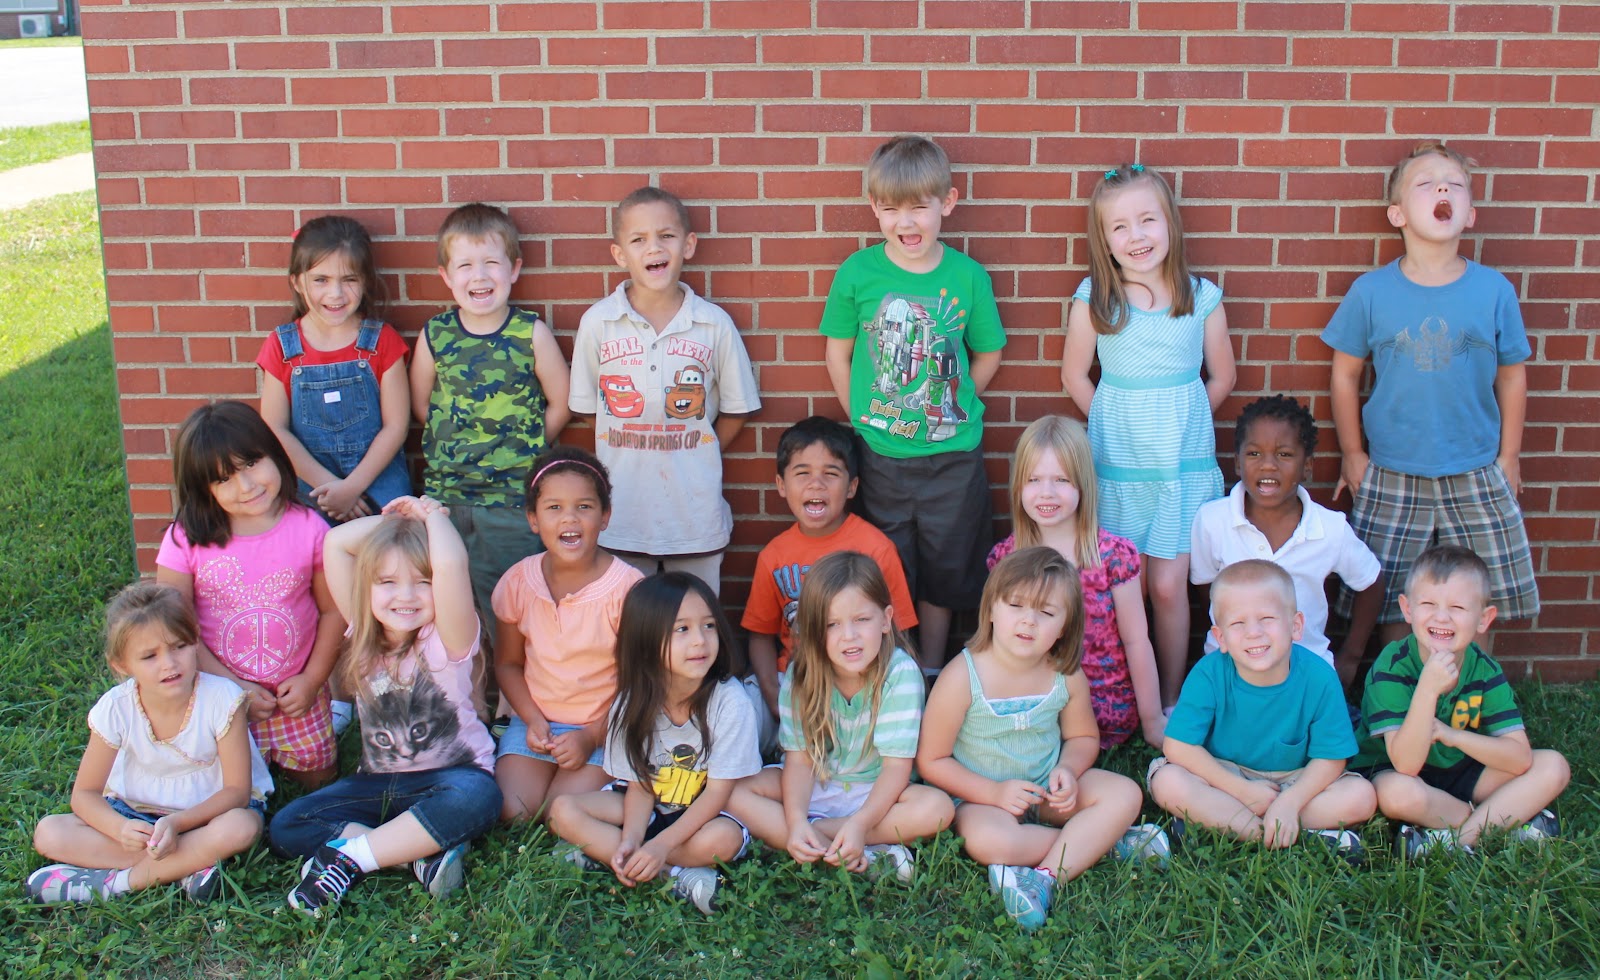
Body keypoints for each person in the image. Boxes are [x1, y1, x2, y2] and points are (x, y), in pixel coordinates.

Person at [1323, 141, 1538, 650]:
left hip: (1476, 466)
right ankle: (1399, 696)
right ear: (1396, 213)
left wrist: (1510, 455)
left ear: (1470, 212)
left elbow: (1512, 375)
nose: (1443, 189)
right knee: (1393, 595)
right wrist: (1353, 453)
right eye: (1426, 183)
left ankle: (1473, 692)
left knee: (1476, 598)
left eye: (1454, 184)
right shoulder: (1371, 291)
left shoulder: (1494, 290)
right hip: (1393, 468)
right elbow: (1345, 376)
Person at [821, 135, 1007, 675]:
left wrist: (952, 397)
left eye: (919, 207)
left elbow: (990, 350)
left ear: (947, 203)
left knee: (946, 567)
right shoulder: (858, 273)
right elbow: (838, 352)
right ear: (874, 208)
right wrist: (858, 416)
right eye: (890, 208)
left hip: (952, 457)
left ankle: (928, 668)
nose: (906, 222)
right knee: (890, 564)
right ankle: (895, 669)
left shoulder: (967, 277)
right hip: (881, 455)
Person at [270, 497, 501, 913]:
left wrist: (431, 517)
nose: (405, 596)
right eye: (387, 581)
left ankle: (349, 858)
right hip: (377, 785)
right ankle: (416, 850)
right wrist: (397, 520)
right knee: (288, 824)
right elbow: (337, 543)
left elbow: (451, 566)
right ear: (367, 588)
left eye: (422, 582)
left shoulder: (447, 637)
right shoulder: (362, 631)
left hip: (453, 777)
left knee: (479, 798)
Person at [918, 547, 1165, 932]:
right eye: (1016, 605)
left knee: (1126, 794)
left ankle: (1045, 876)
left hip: (1047, 790)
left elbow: (1083, 736)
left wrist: (1068, 768)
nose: (1028, 621)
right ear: (991, 610)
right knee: (991, 844)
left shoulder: (1064, 674)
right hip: (982, 800)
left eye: (1046, 613)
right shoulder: (962, 677)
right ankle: (1104, 841)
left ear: (1064, 627)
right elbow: (931, 761)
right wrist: (994, 794)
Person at [1062, 163, 1235, 708]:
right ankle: (1123, 695)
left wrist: (1184, 424)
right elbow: (1073, 375)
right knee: (1126, 586)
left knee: (1167, 586)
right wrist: (1112, 424)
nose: (1136, 237)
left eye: (1147, 221)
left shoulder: (1199, 296)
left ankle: (1171, 695)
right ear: (1105, 240)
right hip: (1119, 469)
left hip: (1179, 471)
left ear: (1170, 225)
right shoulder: (1097, 298)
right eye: (1120, 227)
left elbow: (1224, 375)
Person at [27, 582, 272, 905]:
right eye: (149, 656)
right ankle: (187, 866)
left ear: (196, 639)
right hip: (136, 815)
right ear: (122, 665)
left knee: (241, 828)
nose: (169, 663)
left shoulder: (221, 698)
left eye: (179, 646)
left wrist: (177, 823)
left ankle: (118, 883)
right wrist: (120, 829)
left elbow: (236, 792)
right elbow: (84, 795)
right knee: (49, 832)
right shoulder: (116, 707)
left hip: (206, 816)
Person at [568, 186, 761, 594]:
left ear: (689, 245)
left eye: (666, 236)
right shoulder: (598, 323)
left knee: (695, 625)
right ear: (619, 254)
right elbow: (589, 410)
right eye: (638, 239)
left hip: (693, 517)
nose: (653, 247)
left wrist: (696, 442)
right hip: (621, 518)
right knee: (628, 630)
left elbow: (737, 409)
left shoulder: (713, 324)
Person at [728, 552, 952, 882]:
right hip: (817, 784)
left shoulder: (899, 674)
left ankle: (822, 841)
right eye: (832, 624)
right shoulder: (801, 675)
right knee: (734, 792)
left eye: (862, 619)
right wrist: (795, 818)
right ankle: (852, 850)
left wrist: (859, 823)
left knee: (938, 809)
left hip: (877, 792)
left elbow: (895, 769)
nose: (849, 635)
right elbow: (801, 761)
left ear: (886, 619)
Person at [546, 573, 763, 915]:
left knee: (725, 839)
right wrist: (633, 838)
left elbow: (719, 792)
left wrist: (661, 844)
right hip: (644, 808)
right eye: (682, 629)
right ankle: (673, 876)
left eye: (708, 626)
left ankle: (608, 855)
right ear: (646, 640)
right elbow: (639, 786)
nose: (700, 642)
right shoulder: (630, 704)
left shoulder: (730, 702)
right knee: (562, 810)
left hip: (701, 812)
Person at [156, 401, 342, 789]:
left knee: (321, 787)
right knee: (228, 792)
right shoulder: (185, 540)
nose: (247, 485)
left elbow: (332, 612)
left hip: (297, 699)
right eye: (223, 479)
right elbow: (175, 630)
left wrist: (312, 679)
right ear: (201, 488)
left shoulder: (309, 528)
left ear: (275, 454)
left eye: (252, 463)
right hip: (216, 699)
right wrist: (232, 688)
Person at [1147, 560, 1376, 863]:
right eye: (1238, 623)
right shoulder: (1209, 674)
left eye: (1267, 618)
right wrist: (1241, 790)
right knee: (1168, 782)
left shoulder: (1319, 676)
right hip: (1226, 775)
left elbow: (1331, 758)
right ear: (1221, 638)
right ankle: (1274, 832)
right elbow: (1177, 745)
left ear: (1295, 626)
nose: (1253, 633)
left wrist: (1291, 801)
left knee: (1361, 798)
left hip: (1297, 779)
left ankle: (1226, 822)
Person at [410, 202, 571, 630]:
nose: (479, 276)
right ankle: (465, 693)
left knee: (509, 606)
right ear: (446, 276)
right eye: (464, 265)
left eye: (491, 263)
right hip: (447, 500)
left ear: (514, 270)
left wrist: (529, 446)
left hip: (511, 502)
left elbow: (562, 401)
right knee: (448, 605)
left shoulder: (529, 332)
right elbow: (421, 404)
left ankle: (506, 693)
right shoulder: (436, 335)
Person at [1352, 545, 1569, 858]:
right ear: (1408, 609)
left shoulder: (1484, 668)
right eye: (1428, 603)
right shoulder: (1392, 665)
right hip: (1399, 772)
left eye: (1457, 607)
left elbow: (1519, 757)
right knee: (1396, 795)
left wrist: (1452, 735)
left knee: (1553, 766)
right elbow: (1406, 764)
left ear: (1483, 619)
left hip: (1460, 768)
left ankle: (1455, 840)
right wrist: (1427, 688)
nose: (1442, 617)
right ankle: (1500, 817)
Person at [988, 415, 1166, 748]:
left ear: (1082, 485)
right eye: (1033, 480)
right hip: (1031, 704)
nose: (1047, 493)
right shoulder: (1007, 559)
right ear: (1018, 486)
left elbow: (1136, 641)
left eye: (1061, 480)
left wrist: (1153, 720)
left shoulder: (1111, 555)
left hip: (1103, 704)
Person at [1190, 395, 1384, 689]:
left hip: (1306, 670)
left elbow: (1371, 581)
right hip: (1230, 668)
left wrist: (1351, 656)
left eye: (1284, 455)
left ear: (1307, 467)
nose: (1268, 465)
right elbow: (1207, 587)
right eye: (1254, 454)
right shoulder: (1212, 520)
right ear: (1238, 464)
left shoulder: (1329, 528)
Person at [741, 416, 917, 740]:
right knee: (741, 712)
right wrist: (773, 700)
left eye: (830, 474)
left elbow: (899, 633)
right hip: (792, 681)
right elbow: (759, 635)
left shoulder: (875, 549)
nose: (816, 484)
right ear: (781, 485)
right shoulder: (774, 556)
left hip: (856, 684)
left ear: (852, 487)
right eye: (802, 473)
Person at [492, 447, 644, 822]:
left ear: (605, 516)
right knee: (515, 812)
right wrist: (531, 719)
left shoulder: (626, 589)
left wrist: (591, 736)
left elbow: (640, 683)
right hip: (537, 725)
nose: (569, 518)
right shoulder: (518, 581)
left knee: (559, 812)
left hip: (606, 726)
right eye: (554, 508)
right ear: (533, 519)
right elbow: (508, 664)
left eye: (584, 507)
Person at [255, 215, 411, 524]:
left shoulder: (383, 342)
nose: (336, 294)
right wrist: (331, 490)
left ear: (365, 281)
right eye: (321, 280)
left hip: (377, 488)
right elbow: (274, 428)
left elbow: (396, 427)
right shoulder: (282, 348)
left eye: (349, 279)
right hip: (311, 491)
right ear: (297, 282)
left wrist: (352, 488)